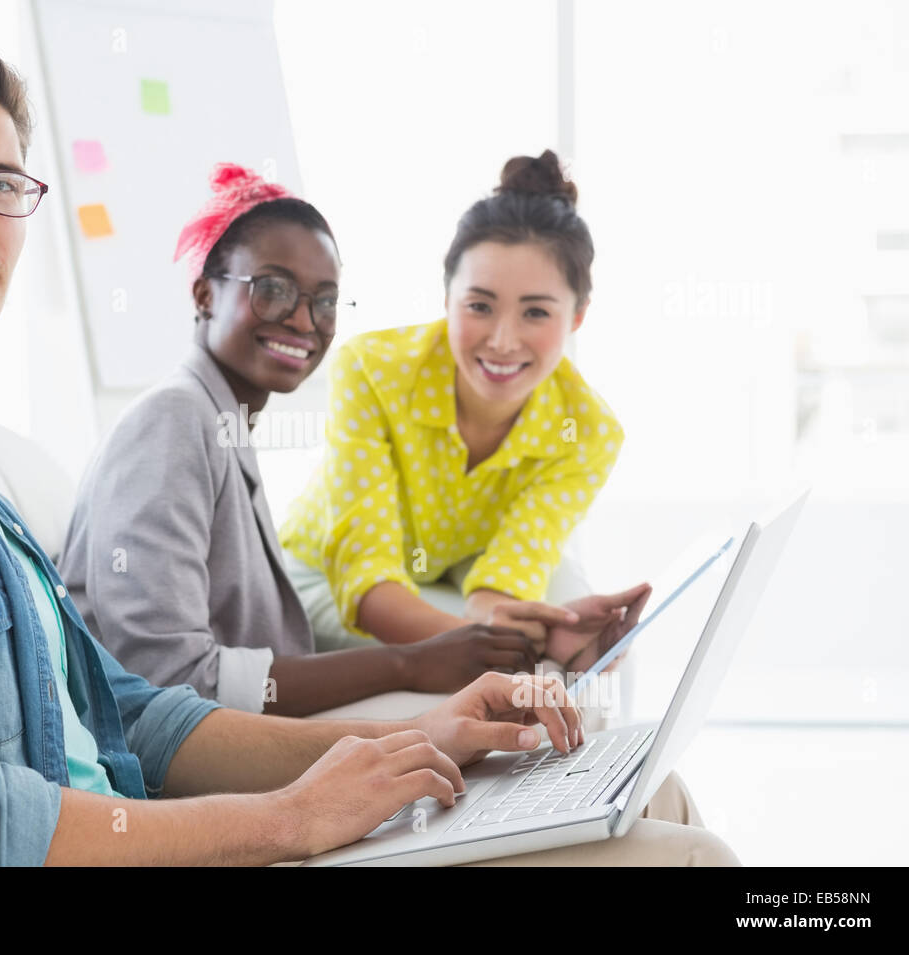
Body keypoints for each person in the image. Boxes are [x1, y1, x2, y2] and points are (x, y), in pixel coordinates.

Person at [0, 24, 735, 866]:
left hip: (184, 829)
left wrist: (423, 737)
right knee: (683, 854)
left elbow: (127, 709)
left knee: (643, 788)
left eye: (3, 183)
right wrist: (284, 820)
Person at [61, 164, 549, 718]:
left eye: (324, 300)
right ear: (204, 295)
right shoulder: (172, 420)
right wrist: (409, 663)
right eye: (272, 290)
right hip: (163, 776)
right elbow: (170, 681)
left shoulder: (220, 422)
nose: (302, 319)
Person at [279, 151, 651, 681]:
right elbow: (367, 583)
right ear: (447, 297)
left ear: (578, 315)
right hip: (329, 575)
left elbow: (511, 573)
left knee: (590, 634)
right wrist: (529, 646)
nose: (503, 341)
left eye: (536, 312)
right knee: (534, 658)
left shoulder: (589, 431)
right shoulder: (370, 370)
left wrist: (527, 629)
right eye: (479, 306)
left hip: (463, 568)